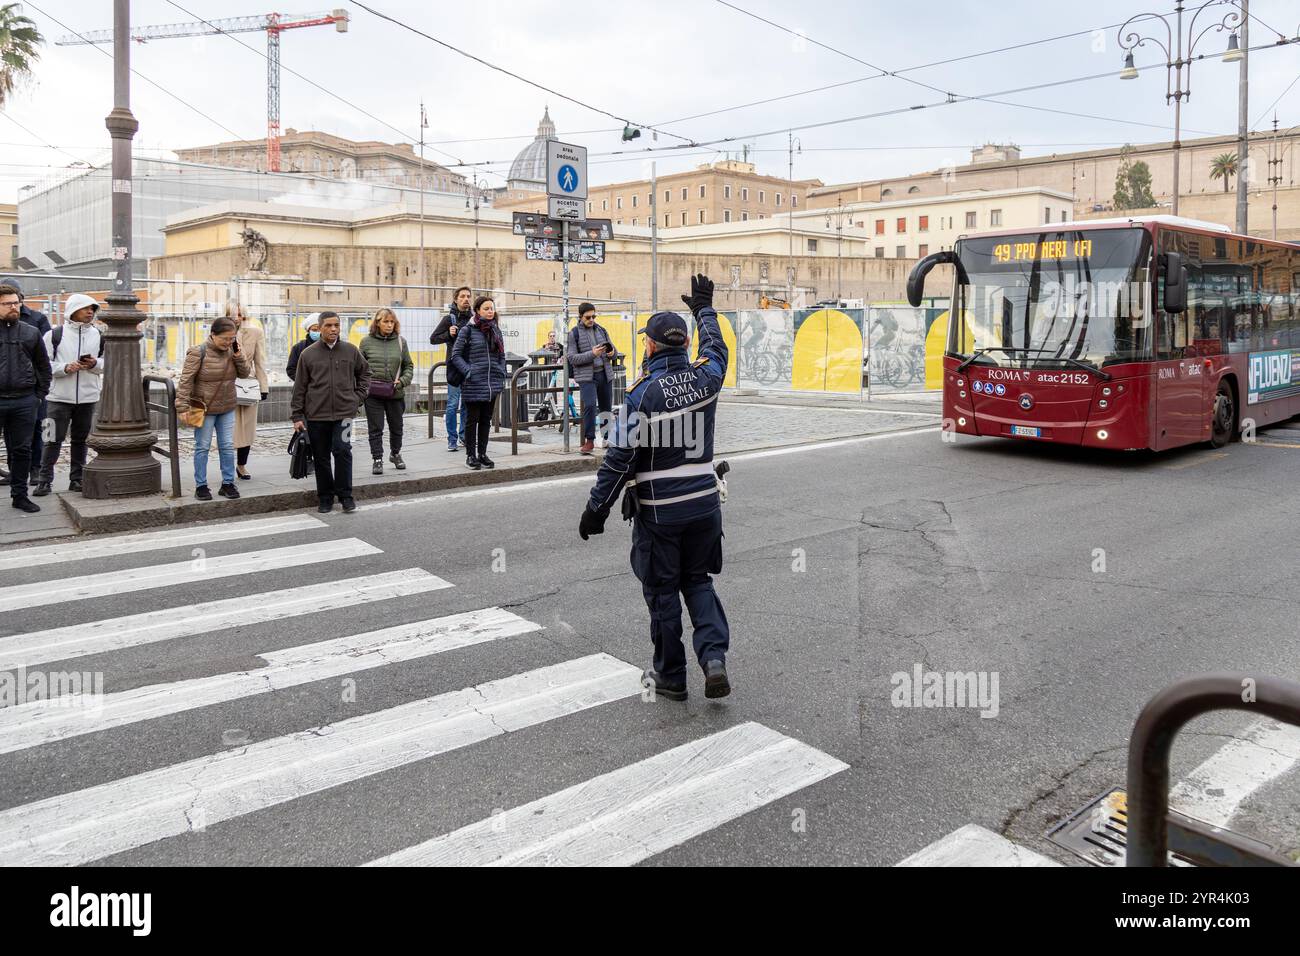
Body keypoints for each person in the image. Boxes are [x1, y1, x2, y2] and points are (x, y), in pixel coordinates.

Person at [578, 275, 731, 701]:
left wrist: (597, 509)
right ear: (684, 346)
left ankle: (671, 676)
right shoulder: (707, 378)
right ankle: (714, 657)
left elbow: (618, 459)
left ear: (650, 347)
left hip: (660, 513)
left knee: (663, 593)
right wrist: (705, 310)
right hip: (704, 503)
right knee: (698, 582)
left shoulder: (640, 395)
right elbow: (717, 350)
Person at [291, 311, 370, 513]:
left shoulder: (351, 351)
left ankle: (346, 496)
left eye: (336, 325)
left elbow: (365, 374)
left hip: (344, 415)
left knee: (343, 452)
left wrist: (357, 397)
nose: (333, 329)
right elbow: (300, 386)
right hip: (316, 415)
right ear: (319, 327)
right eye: (328, 325)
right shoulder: (307, 354)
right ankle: (325, 497)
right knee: (321, 456)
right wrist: (297, 415)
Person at [34, 293, 104, 497]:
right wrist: (65, 367)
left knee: (80, 440)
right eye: (85, 308)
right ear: (73, 310)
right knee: (50, 439)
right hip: (56, 399)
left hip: (88, 398)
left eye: (93, 309)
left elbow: (108, 362)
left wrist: (95, 364)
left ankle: (77, 479)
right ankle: (44, 480)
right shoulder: (53, 335)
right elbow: (43, 365)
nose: (90, 312)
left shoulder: (99, 335)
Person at [175, 316, 250, 501]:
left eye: (232, 338)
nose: (228, 342)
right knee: (202, 446)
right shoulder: (197, 352)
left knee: (226, 446)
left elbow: (245, 373)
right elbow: (185, 381)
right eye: (225, 338)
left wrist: (239, 355)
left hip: (227, 406)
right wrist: (182, 407)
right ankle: (201, 485)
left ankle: (228, 483)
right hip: (203, 408)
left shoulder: (233, 352)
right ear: (213, 335)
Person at [0, 283, 52, 512]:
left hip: (24, 400)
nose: (14, 307)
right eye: (7, 303)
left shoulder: (30, 332)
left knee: (22, 450)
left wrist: (38, 396)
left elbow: (43, 366)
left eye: (16, 302)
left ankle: (20, 496)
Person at [450, 294, 505, 471]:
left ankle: (482, 453)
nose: (490, 312)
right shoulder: (468, 330)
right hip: (474, 382)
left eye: (492, 308)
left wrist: (501, 372)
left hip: (491, 383)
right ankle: (470, 455)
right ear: (478, 311)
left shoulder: (496, 330)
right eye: (486, 309)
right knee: (472, 420)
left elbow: (501, 355)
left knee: (486, 420)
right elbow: (455, 355)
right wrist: (468, 372)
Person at [359, 307, 413, 474]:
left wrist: (403, 381)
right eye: (386, 322)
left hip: (394, 392)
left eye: (392, 322)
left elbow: (408, 366)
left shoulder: (401, 342)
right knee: (376, 427)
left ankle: (395, 454)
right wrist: (364, 385)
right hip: (373, 393)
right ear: (377, 323)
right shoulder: (366, 342)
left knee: (397, 426)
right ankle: (377, 458)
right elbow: (359, 368)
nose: (389, 325)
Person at [10, 279, 51, 478]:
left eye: (14, 299)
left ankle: (35, 469)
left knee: (37, 428)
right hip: (8, 389)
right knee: (12, 436)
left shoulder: (36, 320)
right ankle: (15, 472)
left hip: (31, 389)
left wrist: (41, 392)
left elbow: (45, 357)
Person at [567, 302, 618, 455]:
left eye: (594, 316)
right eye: (588, 317)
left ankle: (607, 438)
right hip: (587, 377)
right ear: (580, 317)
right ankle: (589, 441)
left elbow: (615, 352)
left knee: (606, 407)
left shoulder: (602, 330)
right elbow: (572, 358)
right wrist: (592, 354)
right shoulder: (573, 333)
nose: (591, 319)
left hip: (604, 373)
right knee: (589, 406)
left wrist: (611, 353)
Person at [227, 302, 269, 481]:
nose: (236, 319)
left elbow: (260, 361)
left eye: (239, 315)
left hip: (248, 384)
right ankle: (227, 467)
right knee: (228, 429)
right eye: (232, 315)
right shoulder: (220, 331)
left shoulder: (255, 332)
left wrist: (263, 386)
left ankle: (241, 465)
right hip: (226, 385)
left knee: (247, 428)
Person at [430, 287, 471, 452]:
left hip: (469, 368)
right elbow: (433, 339)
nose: (466, 299)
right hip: (454, 368)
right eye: (462, 296)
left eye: (468, 296)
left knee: (468, 404)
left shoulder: (474, 319)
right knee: (453, 404)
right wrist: (448, 334)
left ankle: (464, 437)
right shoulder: (449, 319)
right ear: (456, 300)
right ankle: (452, 439)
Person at [286, 313, 321, 381]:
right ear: (308, 330)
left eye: (319, 330)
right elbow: (291, 369)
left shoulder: (329, 346)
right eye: (314, 330)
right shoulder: (298, 348)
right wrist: (304, 382)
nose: (317, 332)